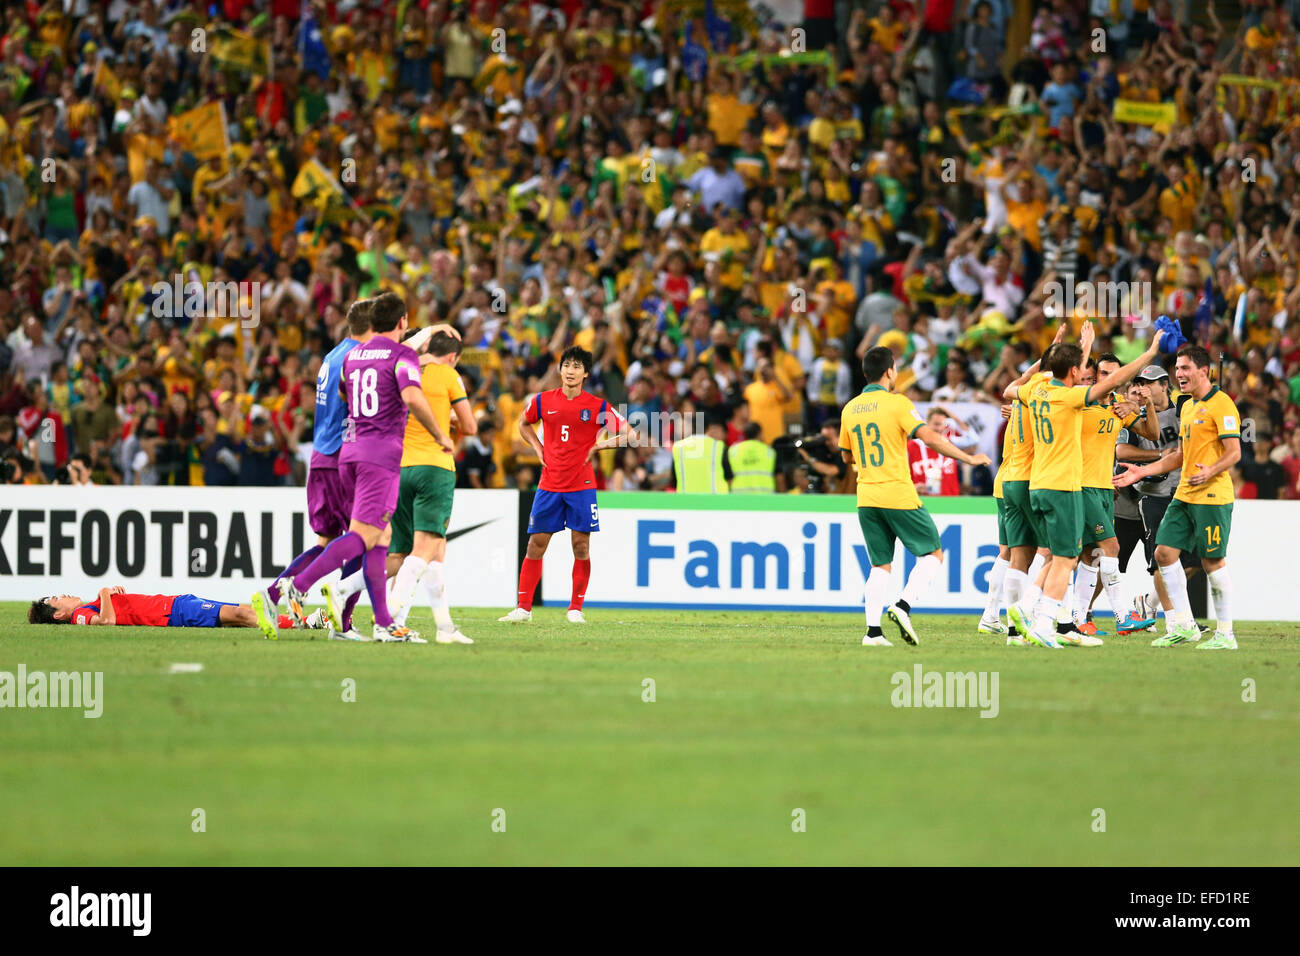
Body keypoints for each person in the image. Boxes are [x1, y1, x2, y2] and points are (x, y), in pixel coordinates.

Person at [253, 292, 454, 643]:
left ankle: (374, 622)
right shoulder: (376, 354)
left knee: (368, 540)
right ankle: (297, 588)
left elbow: (353, 390)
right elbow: (402, 367)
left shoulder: (340, 356)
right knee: (363, 538)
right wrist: (437, 429)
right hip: (359, 457)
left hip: (329, 455)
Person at [1004, 324, 1165, 648]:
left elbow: (1011, 389)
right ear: (1076, 371)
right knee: (1066, 558)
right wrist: (1148, 353)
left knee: (1062, 557)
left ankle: (1036, 614)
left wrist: (1069, 349)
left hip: (1039, 483)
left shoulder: (1037, 389)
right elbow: (1111, 382)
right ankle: (1044, 622)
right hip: (1066, 486)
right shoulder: (1072, 398)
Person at [842, 346, 991, 647]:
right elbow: (931, 437)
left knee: (880, 565)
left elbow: (847, 457)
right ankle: (903, 605)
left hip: (866, 496)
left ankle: (873, 633)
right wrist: (968, 458)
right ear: (889, 371)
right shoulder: (897, 403)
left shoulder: (850, 408)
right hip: (897, 492)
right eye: (895, 367)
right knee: (933, 554)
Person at [1115, 345, 1243, 649]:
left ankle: (1226, 634)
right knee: (1163, 554)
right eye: (1178, 368)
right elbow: (1179, 456)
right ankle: (1185, 625)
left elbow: (1234, 452)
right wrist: (1141, 473)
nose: (1179, 374)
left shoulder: (1222, 404)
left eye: (1185, 368)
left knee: (1212, 561)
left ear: (1204, 371)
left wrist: (1211, 469)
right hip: (1183, 494)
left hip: (1212, 495)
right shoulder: (1188, 408)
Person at [499, 346, 638, 624]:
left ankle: (575, 609)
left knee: (581, 546)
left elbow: (630, 435)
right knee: (536, 544)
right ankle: (523, 609)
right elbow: (523, 424)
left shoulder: (597, 406)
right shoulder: (542, 400)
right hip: (549, 483)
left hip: (581, 484)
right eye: (567, 366)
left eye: (577, 367)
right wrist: (538, 449)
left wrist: (600, 445)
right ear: (560, 370)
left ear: (585, 373)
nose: (570, 371)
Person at [385, 331, 477, 644]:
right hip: (434, 468)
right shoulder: (448, 375)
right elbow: (471, 426)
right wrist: (451, 420)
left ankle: (444, 628)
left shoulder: (402, 371)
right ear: (453, 357)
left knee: (413, 554)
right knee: (425, 549)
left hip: (399, 468)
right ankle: (390, 618)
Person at [1071, 354, 1155, 636]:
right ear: (1094, 376)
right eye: (1103, 373)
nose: (1109, 378)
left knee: (1090, 555)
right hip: (1082, 486)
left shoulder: (1118, 407)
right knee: (1112, 548)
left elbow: (1151, 433)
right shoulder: (1081, 403)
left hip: (1106, 488)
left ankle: (1078, 619)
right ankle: (1122, 617)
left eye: (1114, 374)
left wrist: (1147, 404)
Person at [30, 587, 257, 629]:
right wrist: (104, 592)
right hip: (173, 612)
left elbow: (108, 613)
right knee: (242, 613)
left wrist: (109, 596)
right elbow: (106, 621)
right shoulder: (79, 614)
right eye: (54, 599)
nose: (62, 595)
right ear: (59, 614)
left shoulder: (88, 607)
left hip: (174, 604)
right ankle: (293, 622)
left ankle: (293, 621)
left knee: (246, 612)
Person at [672, 414, 731, 493]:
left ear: (692, 427)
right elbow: (728, 476)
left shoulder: (678, 447)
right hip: (715, 501)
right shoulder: (718, 446)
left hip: (686, 501)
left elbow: (674, 478)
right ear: (708, 428)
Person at [727, 422, 777, 493]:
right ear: (760, 433)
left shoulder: (733, 450)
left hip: (739, 496)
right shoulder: (769, 451)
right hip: (764, 497)